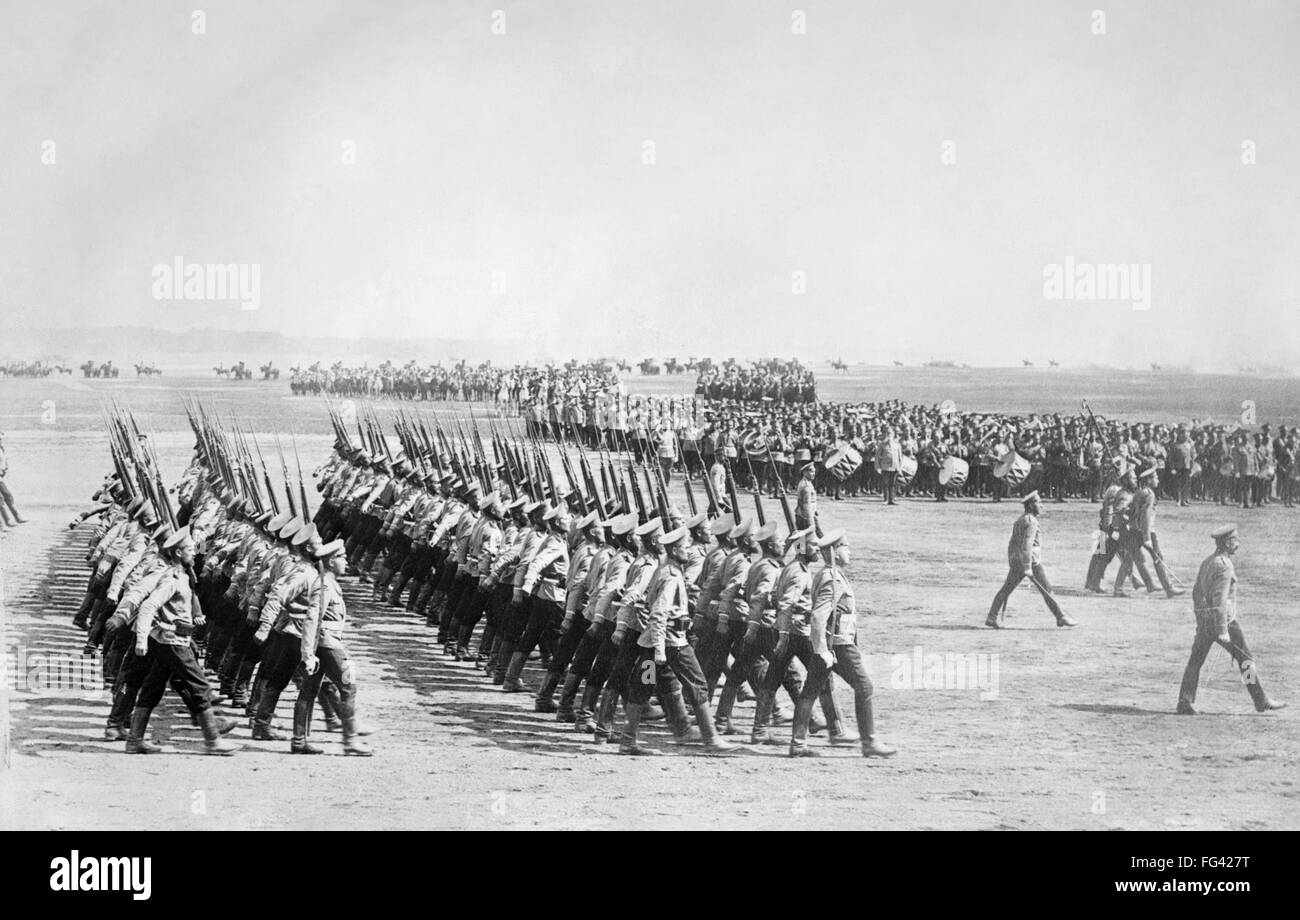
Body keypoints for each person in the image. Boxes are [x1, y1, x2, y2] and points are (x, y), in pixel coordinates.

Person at [128, 527, 237, 755]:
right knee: (199, 685)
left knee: (153, 688)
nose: (193, 552)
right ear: (177, 553)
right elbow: (148, 606)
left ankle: (134, 739)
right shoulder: (172, 579)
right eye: (188, 549)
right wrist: (141, 640)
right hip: (172, 641)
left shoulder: (182, 575)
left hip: (169, 640)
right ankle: (212, 740)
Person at [791, 529, 896, 758]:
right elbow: (818, 616)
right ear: (835, 552)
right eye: (845, 547)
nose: (849, 552)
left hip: (832, 645)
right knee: (865, 687)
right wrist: (822, 651)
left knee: (810, 691)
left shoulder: (831, 574)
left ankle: (798, 743)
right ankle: (869, 742)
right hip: (838, 646)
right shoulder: (831, 578)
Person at [1177, 525, 1286, 715]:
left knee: (1195, 661)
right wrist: (1222, 630)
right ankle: (1261, 701)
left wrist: (1200, 618)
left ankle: (1184, 701)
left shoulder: (1208, 561)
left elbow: (1196, 592)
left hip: (1205, 621)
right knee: (1246, 660)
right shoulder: (1225, 566)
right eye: (1235, 540)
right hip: (1225, 622)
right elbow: (1220, 599)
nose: (1238, 544)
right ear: (1227, 543)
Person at [295, 538, 373, 754]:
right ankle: (350, 741)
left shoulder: (329, 583)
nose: (346, 562)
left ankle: (299, 741)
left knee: (308, 691)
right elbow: (313, 618)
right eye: (342, 558)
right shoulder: (324, 585)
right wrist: (307, 652)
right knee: (349, 687)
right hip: (328, 645)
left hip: (324, 643)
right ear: (330, 562)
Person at [986, 491, 1076, 629]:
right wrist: (1027, 566)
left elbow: (1011, 544)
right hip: (1031, 562)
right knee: (1047, 589)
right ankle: (1061, 616)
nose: (1042, 505)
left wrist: (1013, 562)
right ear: (1031, 505)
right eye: (1039, 502)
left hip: (1018, 561)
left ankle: (991, 617)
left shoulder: (1020, 520)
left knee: (1006, 589)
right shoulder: (1031, 522)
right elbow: (1027, 544)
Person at [0, 429, 28, 527]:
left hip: (0, 477)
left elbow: (4, 462)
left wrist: (4, 469)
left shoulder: (1, 449)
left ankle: (17, 517)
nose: (0, 440)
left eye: (1, 439)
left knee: (8, 496)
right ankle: (6, 522)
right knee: (0, 499)